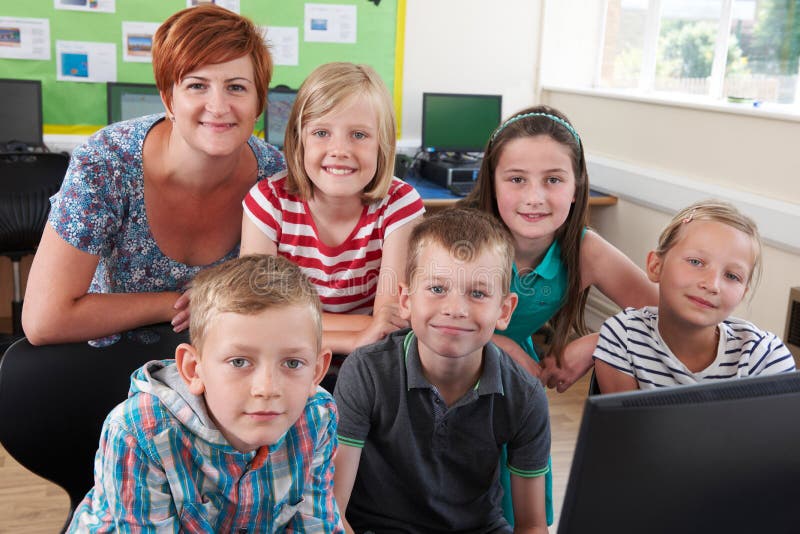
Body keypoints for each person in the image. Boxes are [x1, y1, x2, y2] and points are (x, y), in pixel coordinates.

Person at [22, 5, 285, 347]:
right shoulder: (107, 163)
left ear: (259, 104)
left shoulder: (274, 176)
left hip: (224, 361)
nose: (219, 107)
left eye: (236, 87)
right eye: (197, 85)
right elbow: (44, 319)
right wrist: (174, 304)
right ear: (168, 99)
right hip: (109, 359)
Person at [462, 104, 658, 525]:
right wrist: (504, 346)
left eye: (553, 179)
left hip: (514, 391)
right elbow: (424, 318)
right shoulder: (462, 238)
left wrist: (597, 342)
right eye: (517, 179)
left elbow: (666, 312)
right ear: (492, 182)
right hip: (446, 374)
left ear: (576, 185)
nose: (534, 197)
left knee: (518, 504)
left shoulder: (584, 249)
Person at [67, 254, 343, 532]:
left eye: (293, 363)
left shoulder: (318, 416)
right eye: (239, 362)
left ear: (316, 372)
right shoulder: (139, 431)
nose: (267, 389)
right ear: (193, 369)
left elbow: (315, 525)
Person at [333, 208, 551, 534]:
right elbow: (332, 511)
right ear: (406, 300)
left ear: (504, 310)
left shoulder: (526, 395)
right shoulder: (366, 372)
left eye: (477, 293)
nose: (455, 309)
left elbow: (532, 525)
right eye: (437, 289)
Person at [241, 62, 425, 357]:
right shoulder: (269, 202)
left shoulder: (400, 204)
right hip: (288, 356)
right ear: (299, 139)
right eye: (321, 132)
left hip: (371, 359)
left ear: (383, 144)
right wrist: (354, 338)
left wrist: (292, 323)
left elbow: (390, 321)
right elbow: (257, 314)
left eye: (359, 135)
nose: (340, 150)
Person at [594, 200, 796, 392]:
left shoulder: (765, 356)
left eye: (732, 276)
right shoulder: (623, 337)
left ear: (743, 293)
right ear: (656, 266)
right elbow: (625, 418)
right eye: (696, 262)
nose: (712, 285)